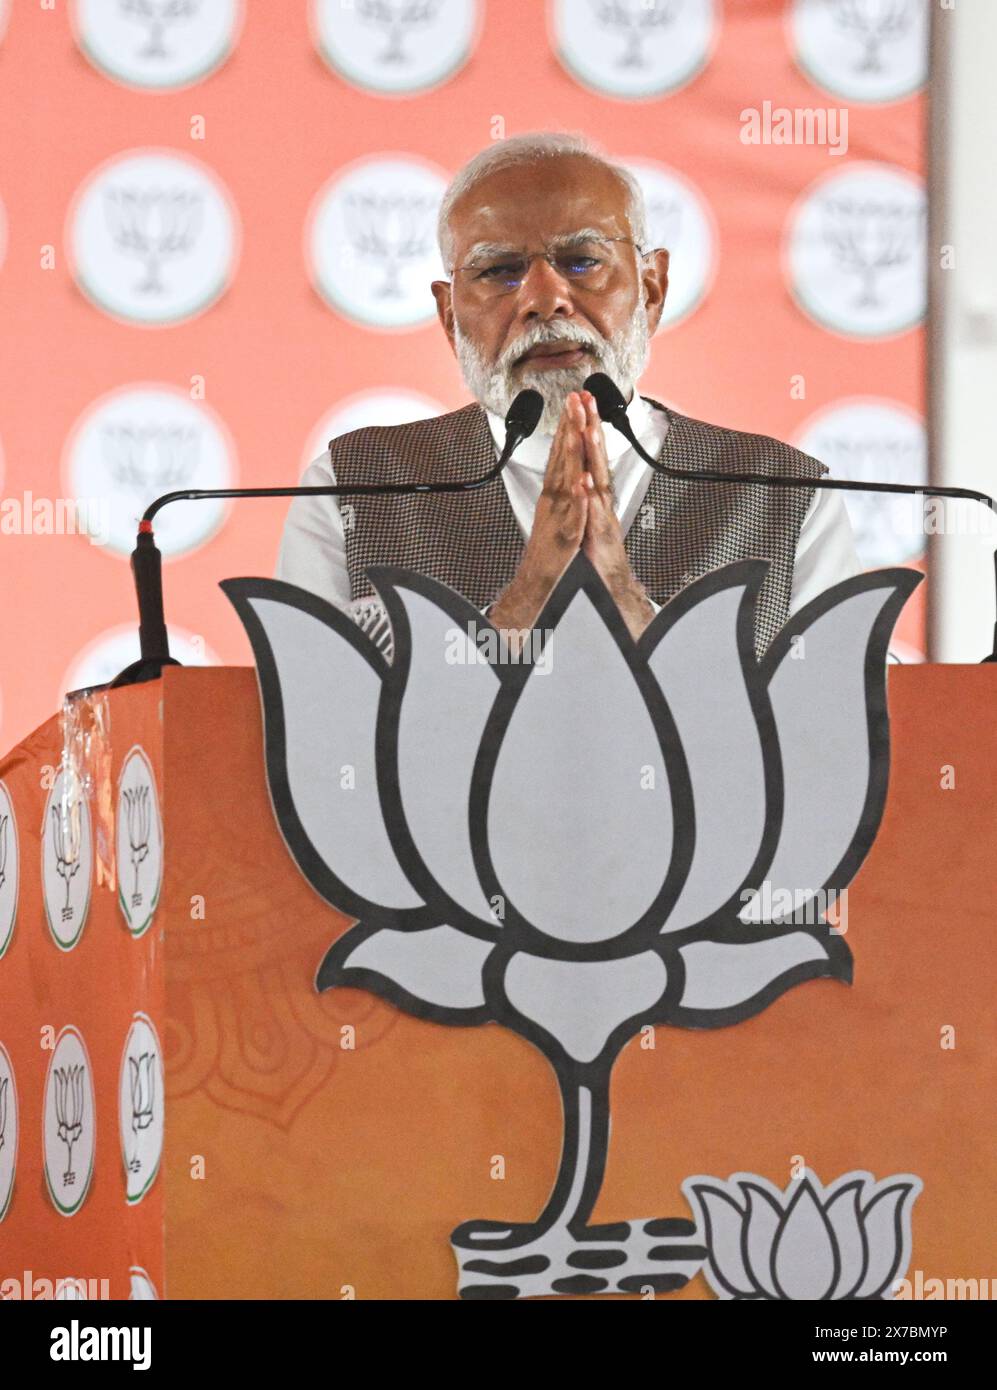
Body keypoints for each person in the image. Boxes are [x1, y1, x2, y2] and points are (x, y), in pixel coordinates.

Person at [277, 132, 862, 658]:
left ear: (652, 289)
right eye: (499, 270)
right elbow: (319, 737)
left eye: (582, 262)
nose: (543, 299)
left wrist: (625, 600)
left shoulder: (789, 496)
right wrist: (527, 595)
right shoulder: (352, 486)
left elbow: (832, 738)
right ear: (449, 315)